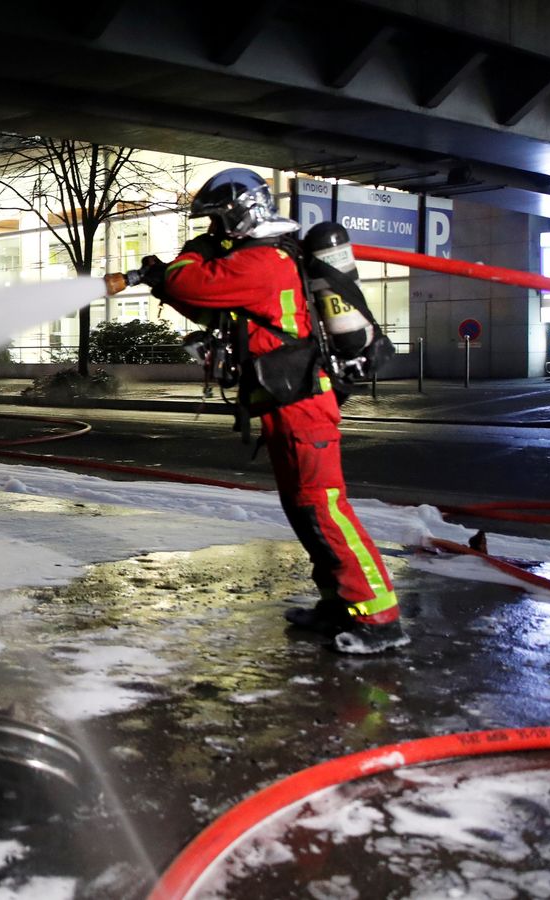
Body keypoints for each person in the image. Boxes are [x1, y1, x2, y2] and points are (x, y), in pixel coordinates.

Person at [142, 168, 407, 654]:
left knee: (324, 508)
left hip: (303, 403)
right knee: (304, 509)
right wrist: (163, 282)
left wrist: (181, 263)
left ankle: (379, 615)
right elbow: (211, 309)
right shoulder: (261, 261)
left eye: (219, 222)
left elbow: (192, 284)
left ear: (242, 214)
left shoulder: (263, 260)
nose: (214, 233)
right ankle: (338, 603)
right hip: (285, 401)